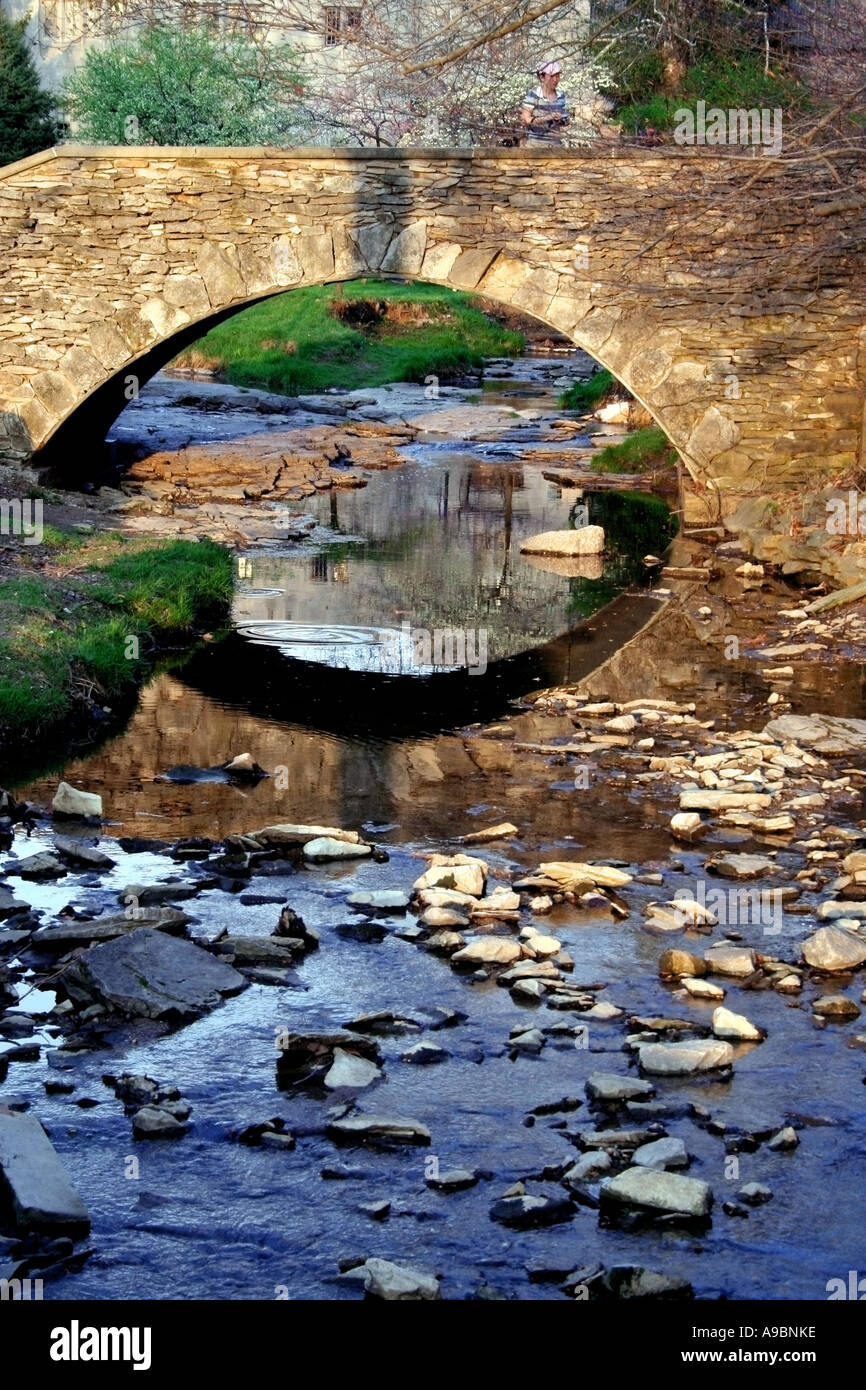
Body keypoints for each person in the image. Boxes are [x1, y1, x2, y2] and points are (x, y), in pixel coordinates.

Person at [522, 60, 569, 147]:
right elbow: (526, 119)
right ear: (542, 77)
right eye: (551, 76)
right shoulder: (533, 95)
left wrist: (561, 119)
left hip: (555, 145)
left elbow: (566, 121)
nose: (555, 80)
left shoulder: (561, 96)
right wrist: (547, 118)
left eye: (557, 76)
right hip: (535, 146)